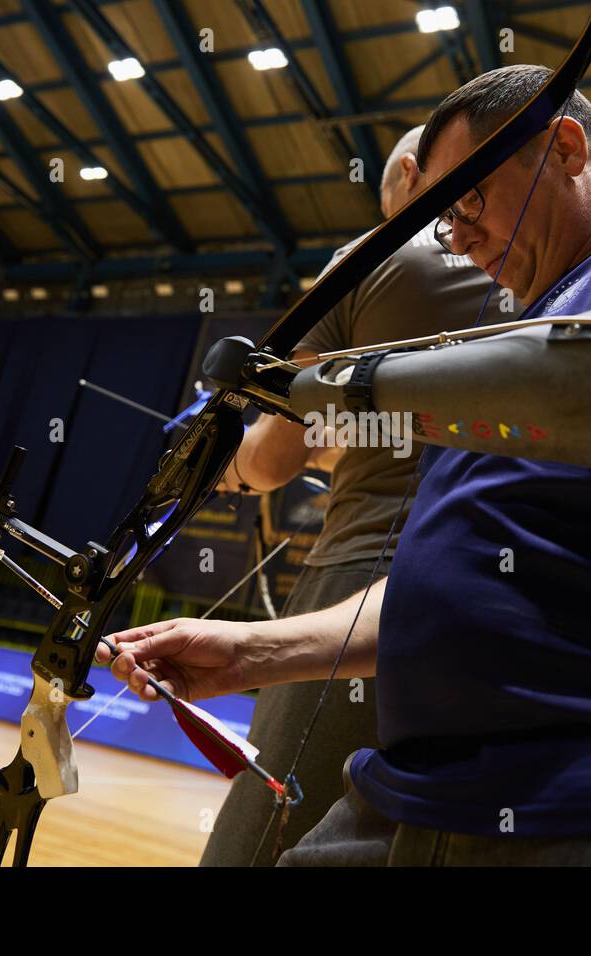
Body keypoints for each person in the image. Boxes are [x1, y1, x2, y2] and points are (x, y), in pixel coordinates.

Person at [103, 65, 591, 866]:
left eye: (469, 202)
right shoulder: (494, 356)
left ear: (562, 147)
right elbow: (442, 582)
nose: (460, 237)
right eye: (444, 221)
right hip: (412, 802)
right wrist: (256, 652)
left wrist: (329, 389)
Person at [198, 126, 508, 865]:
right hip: (495, 600)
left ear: (407, 173)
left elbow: (275, 457)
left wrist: (220, 466)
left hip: (364, 581)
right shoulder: (540, 275)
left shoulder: (368, 259)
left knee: (258, 841)